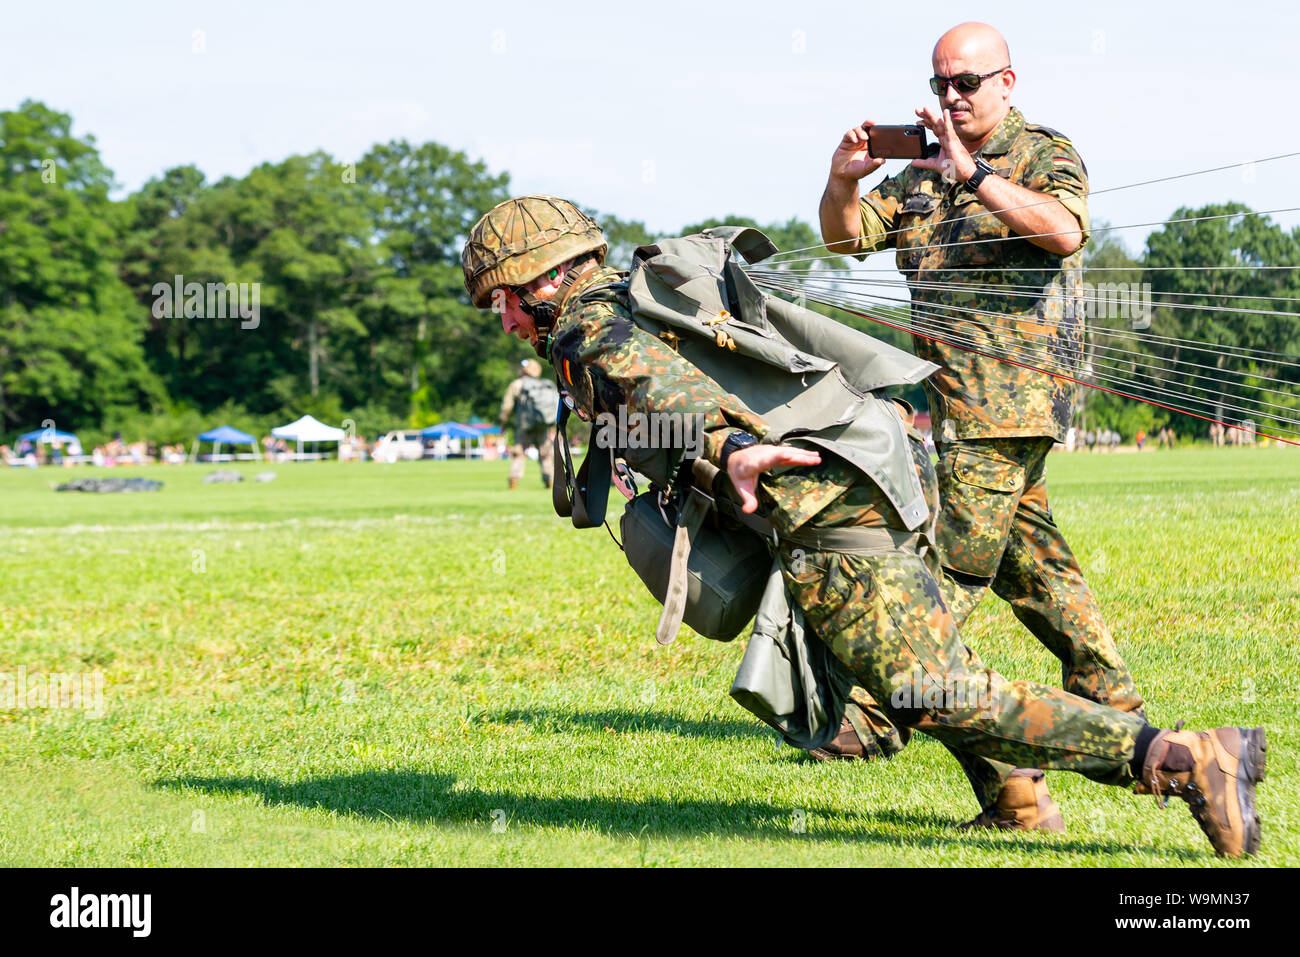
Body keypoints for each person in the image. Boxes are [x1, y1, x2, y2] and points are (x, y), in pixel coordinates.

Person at [460, 194, 1266, 857]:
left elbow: (660, 392)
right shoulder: (639, 293)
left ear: (540, 280)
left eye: (499, 300)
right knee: (912, 669)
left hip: (824, 504)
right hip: (857, 474)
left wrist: (731, 448)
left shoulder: (590, 327)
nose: (503, 323)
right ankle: (1017, 796)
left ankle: (1183, 757)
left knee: (929, 689)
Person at [817, 22, 1146, 821]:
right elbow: (843, 242)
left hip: (1011, 399)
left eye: (966, 82)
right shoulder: (922, 170)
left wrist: (974, 175)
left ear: (1007, 80)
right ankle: (1110, 692)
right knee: (1030, 560)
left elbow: (1064, 230)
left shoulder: (1041, 152)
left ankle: (879, 710)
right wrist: (844, 180)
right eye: (940, 85)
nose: (952, 98)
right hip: (954, 397)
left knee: (949, 567)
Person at [499, 358, 558, 489]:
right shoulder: (546, 384)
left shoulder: (517, 384)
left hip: (524, 426)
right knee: (546, 454)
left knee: (518, 454)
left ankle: (513, 482)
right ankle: (549, 479)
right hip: (544, 425)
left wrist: (503, 423)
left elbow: (507, 406)